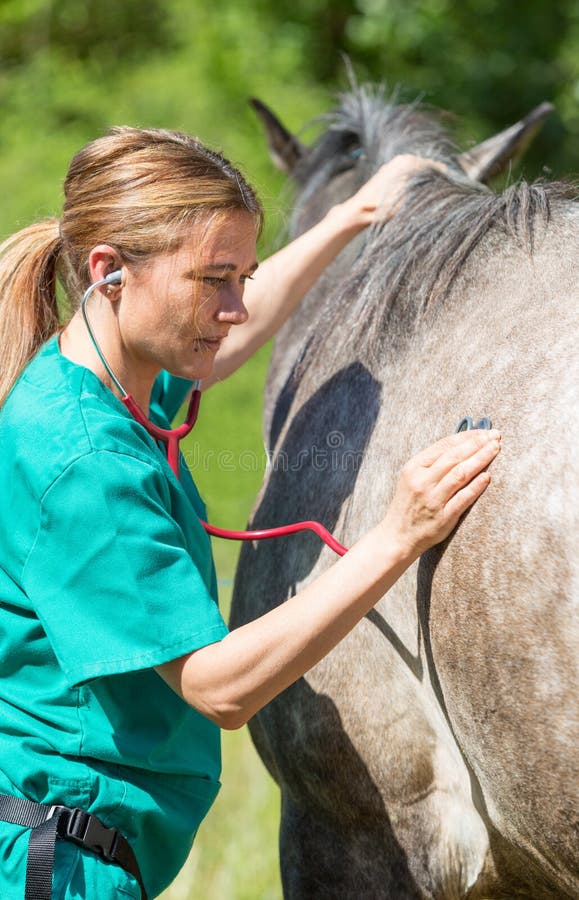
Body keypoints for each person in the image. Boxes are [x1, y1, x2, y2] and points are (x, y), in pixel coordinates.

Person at [0, 127, 500, 899]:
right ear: (109, 274)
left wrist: (349, 217)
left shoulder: (104, 375)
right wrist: (400, 532)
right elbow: (220, 687)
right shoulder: (82, 461)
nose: (233, 308)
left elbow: (225, 342)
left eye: (242, 275)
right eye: (212, 280)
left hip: (81, 846)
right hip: (58, 865)